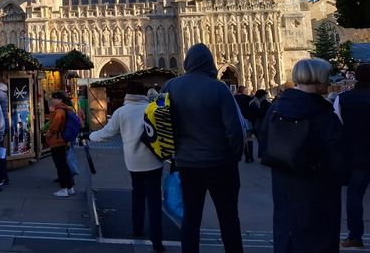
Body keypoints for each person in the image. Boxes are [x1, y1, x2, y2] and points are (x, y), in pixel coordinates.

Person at [162, 43, 244, 253]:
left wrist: (172, 153)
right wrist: (233, 156)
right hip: (220, 164)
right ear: (210, 63)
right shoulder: (218, 88)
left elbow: (158, 122)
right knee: (228, 217)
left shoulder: (170, 86)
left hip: (187, 164)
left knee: (191, 216)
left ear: (188, 62)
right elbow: (234, 129)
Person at [261, 58, 350, 253]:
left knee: (287, 239)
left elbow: (264, 146)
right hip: (319, 193)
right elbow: (340, 165)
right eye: (327, 77)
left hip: (284, 189)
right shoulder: (324, 115)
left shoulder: (275, 110)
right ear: (318, 81)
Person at [89, 81, 165, 252]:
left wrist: (91, 136)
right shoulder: (152, 108)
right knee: (154, 199)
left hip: (134, 162)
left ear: (127, 94)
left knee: (137, 194)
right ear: (143, 93)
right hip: (154, 160)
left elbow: (106, 134)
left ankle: (137, 229)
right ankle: (157, 240)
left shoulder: (121, 112)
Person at [335, 63, 370, 249]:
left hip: (358, 154)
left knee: (355, 196)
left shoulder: (343, 99)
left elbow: (337, 125)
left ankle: (355, 236)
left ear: (355, 78)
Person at [45, 91, 76, 197]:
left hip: (57, 140)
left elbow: (55, 126)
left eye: (54, 98)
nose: (52, 100)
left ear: (59, 99)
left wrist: (49, 133)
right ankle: (70, 187)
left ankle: (63, 189)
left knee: (60, 165)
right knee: (64, 165)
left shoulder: (59, 111)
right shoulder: (65, 109)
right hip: (61, 140)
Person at [234, 86, 255, 163]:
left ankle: (246, 156)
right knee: (249, 138)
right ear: (243, 91)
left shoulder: (233, 97)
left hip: (238, 119)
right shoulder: (248, 98)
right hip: (247, 119)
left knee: (243, 138)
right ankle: (250, 156)